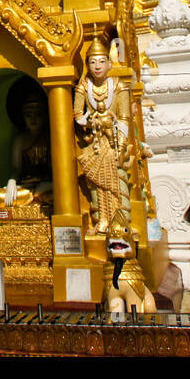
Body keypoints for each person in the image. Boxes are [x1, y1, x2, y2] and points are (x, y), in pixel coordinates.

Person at [74, 35, 133, 233]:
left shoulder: (119, 86)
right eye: (92, 62)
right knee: (95, 184)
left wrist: (121, 143)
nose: (97, 66)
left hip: (114, 140)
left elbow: (125, 117)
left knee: (117, 180)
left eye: (101, 61)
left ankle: (123, 221)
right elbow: (77, 115)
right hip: (94, 143)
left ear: (109, 64)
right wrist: (92, 121)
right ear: (87, 65)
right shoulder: (83, 87)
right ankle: (101, 220)